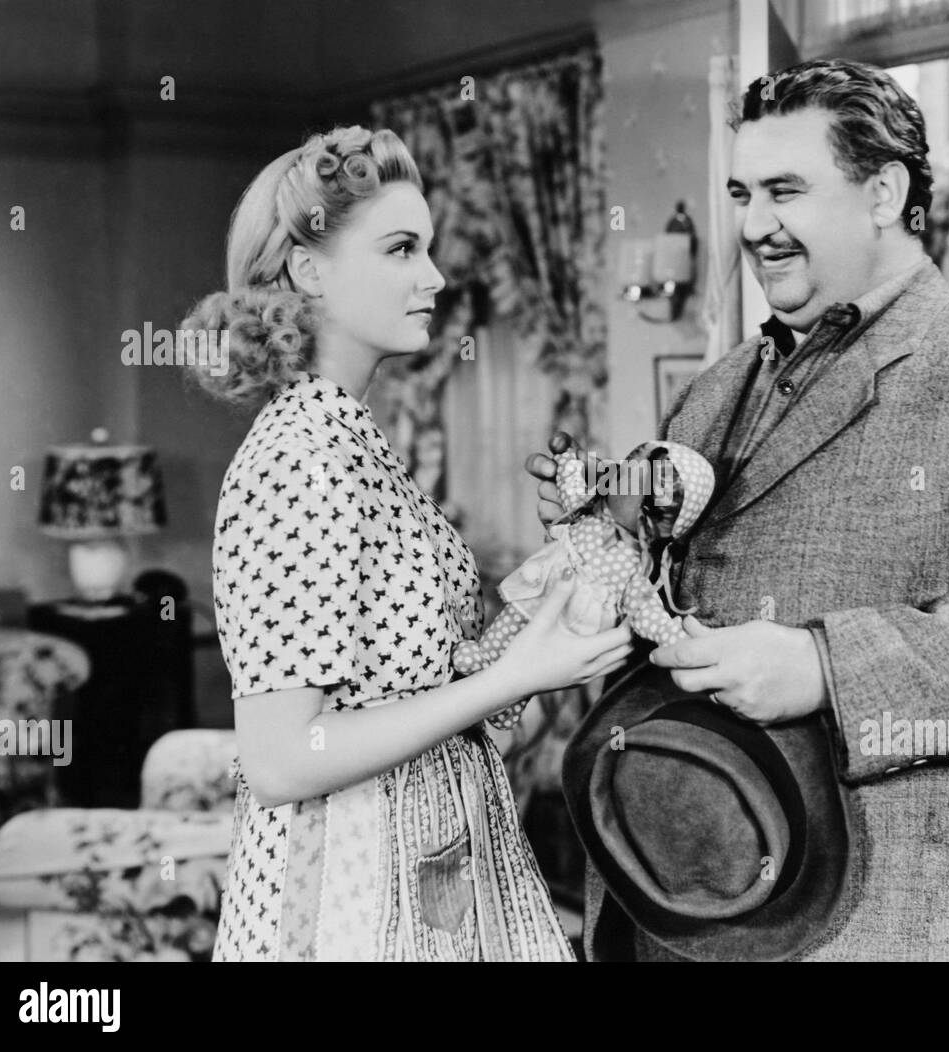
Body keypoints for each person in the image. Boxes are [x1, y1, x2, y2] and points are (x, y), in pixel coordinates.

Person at [529, 60, 949, 961]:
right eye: (741, 193)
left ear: (884, 192)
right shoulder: (714, 389)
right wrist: (601, 540)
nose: (754, 226)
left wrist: (822, 667)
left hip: (897, 922)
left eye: (785, 191)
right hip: (693, 892)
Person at [183, 125, 633, 961]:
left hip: (437, 876)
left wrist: (534, 622)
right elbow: (280, 759)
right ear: (309, 269)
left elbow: (444, 719)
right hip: (343, 904)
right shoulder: (298, 457)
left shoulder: (357, 444)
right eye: (400, 249)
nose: (434, 277)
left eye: (427, 248)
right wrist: (511, 674)